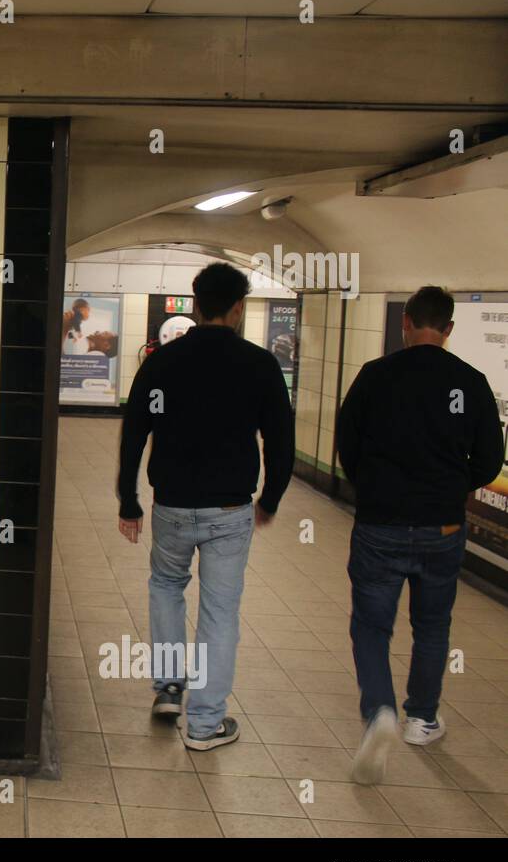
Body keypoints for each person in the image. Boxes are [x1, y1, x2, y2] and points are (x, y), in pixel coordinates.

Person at [116, 263, 293, 750]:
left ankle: (170, 688)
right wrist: (270, 497)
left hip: (171, 503)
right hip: (230, 509)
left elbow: (135, 431)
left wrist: (128, 500)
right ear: (238, 309)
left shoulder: (162, 362)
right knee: (219, 612)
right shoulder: (259, 365)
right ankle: (205, 724)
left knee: (166, 588)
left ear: (195, 305)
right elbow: (281, 440)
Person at [336, 286, 503, 784]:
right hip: (444, 525)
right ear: (449, 329)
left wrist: (374, 489)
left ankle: (381, 711)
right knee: (432, 625)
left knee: (371, 625)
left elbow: (347, 444)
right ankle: (422, 719)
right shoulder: (471, 382)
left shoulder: (374, 375)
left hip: (380, 524)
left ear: (406, 323)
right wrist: (451, 487)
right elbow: (491, 461)